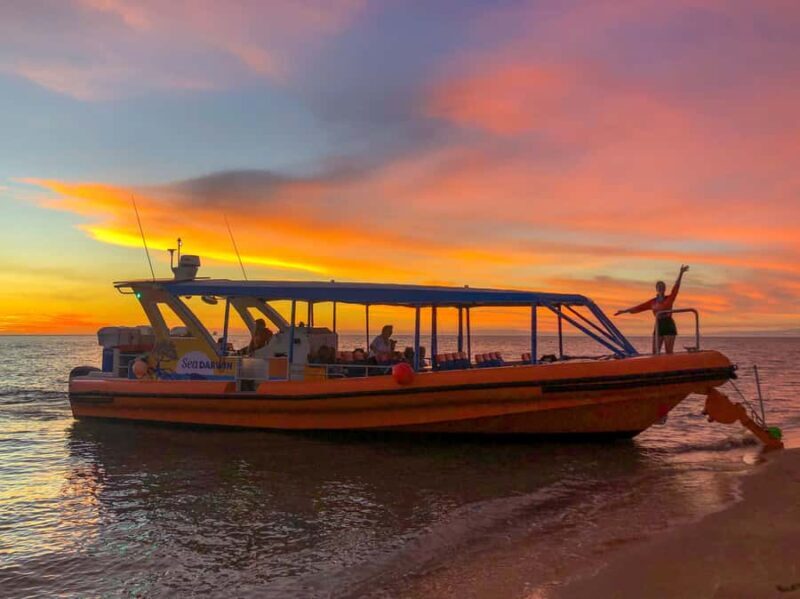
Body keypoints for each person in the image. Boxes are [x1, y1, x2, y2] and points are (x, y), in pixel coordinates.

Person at [616, 265, 689, 354]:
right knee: (655, 352)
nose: (661, 288)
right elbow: (639, 308)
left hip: (668, 325)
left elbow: (676, 287)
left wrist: (681, 273)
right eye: (659, 286)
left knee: (669, 352)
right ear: (656, 289)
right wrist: (624, 311)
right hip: (658, 325)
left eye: (662, 286)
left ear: (665, 288)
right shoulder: (652, 302)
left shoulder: (669, 298)